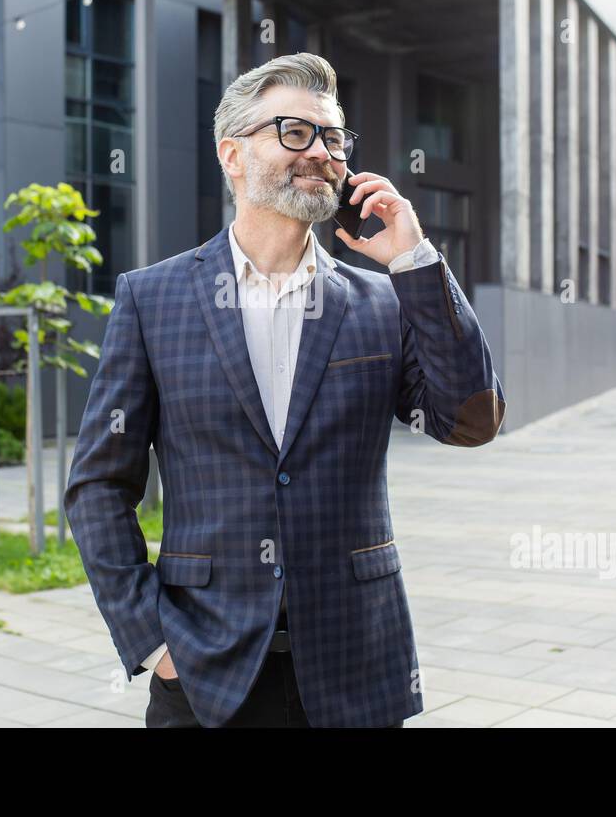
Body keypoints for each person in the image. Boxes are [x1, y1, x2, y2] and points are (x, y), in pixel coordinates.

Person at [64, 52, 506, 727]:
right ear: (233, 155)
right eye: (295, 132)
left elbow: (473, 420)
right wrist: (152, 638)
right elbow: (98, 483)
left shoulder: (383, 302)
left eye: (333, 138)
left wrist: (415, 262)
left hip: (356, 665)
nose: (322, 152)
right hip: (203, 674)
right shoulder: (152, 299)